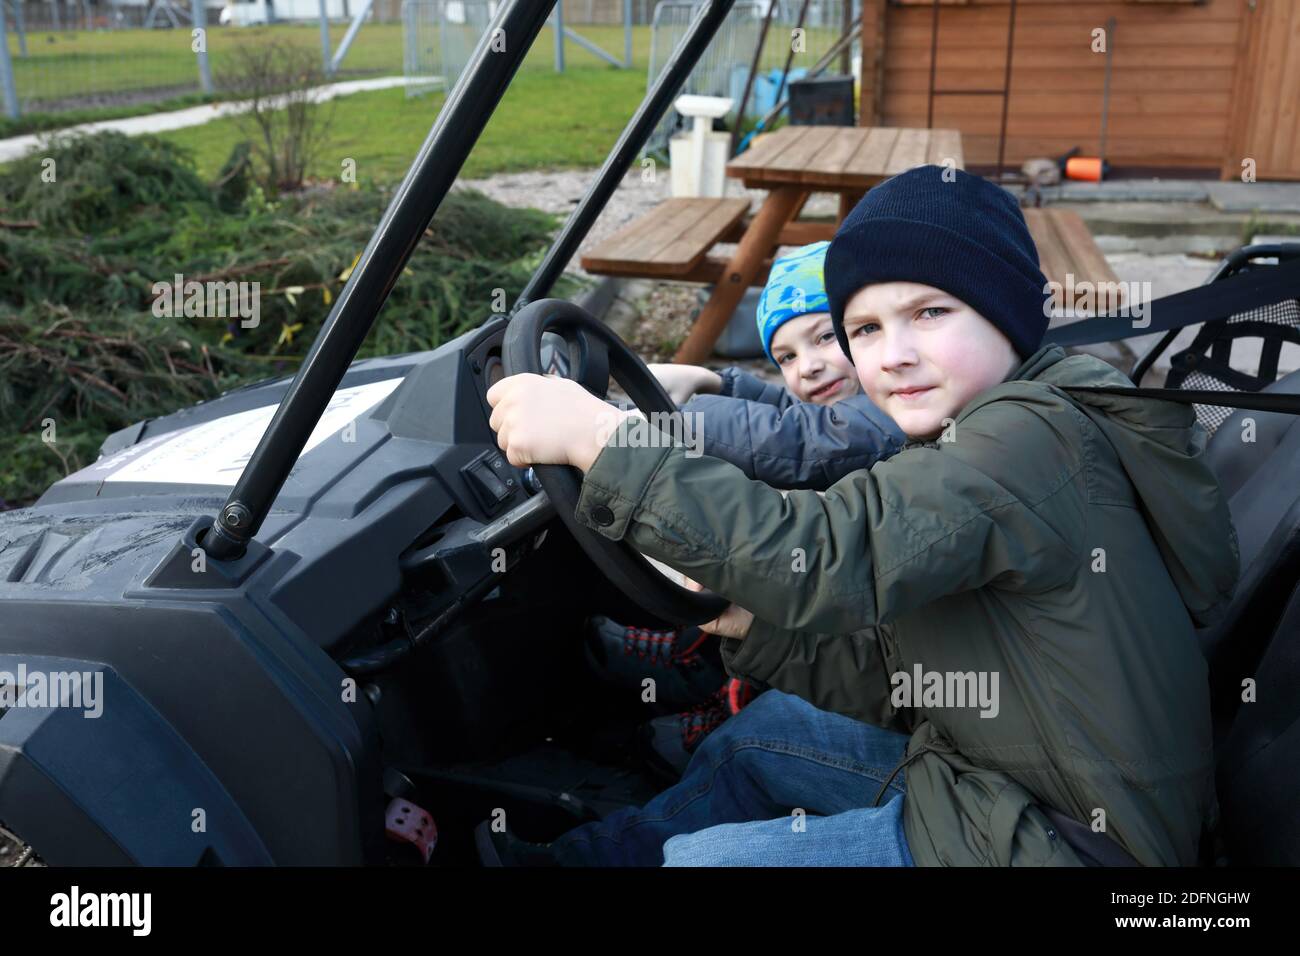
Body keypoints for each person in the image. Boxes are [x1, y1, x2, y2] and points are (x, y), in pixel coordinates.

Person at [482, 165, 1239, 867]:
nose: (893, 355)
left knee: (703, 864)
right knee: (759, 742)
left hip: (1070, 842)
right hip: (1007, 773)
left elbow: (825, 554)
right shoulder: (993, 421)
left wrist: (600, 440)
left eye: (930, 312)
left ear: (1007, 312)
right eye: (866, 328)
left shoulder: (1026, 440)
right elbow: (916, 675)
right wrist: (753, 624)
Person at [589, 241, 905, 776]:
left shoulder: (893, 406)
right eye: (786, 356)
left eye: (826, 336)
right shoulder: (851, 398)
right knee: (738, 542)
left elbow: (804, 440)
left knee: (757, 544)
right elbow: (793, 412)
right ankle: (694, 659)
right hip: (868, 579)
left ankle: (733, 704)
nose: (807, 367)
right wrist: (717, 381)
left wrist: (651, 428)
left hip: (878, 612)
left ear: (869, 329)